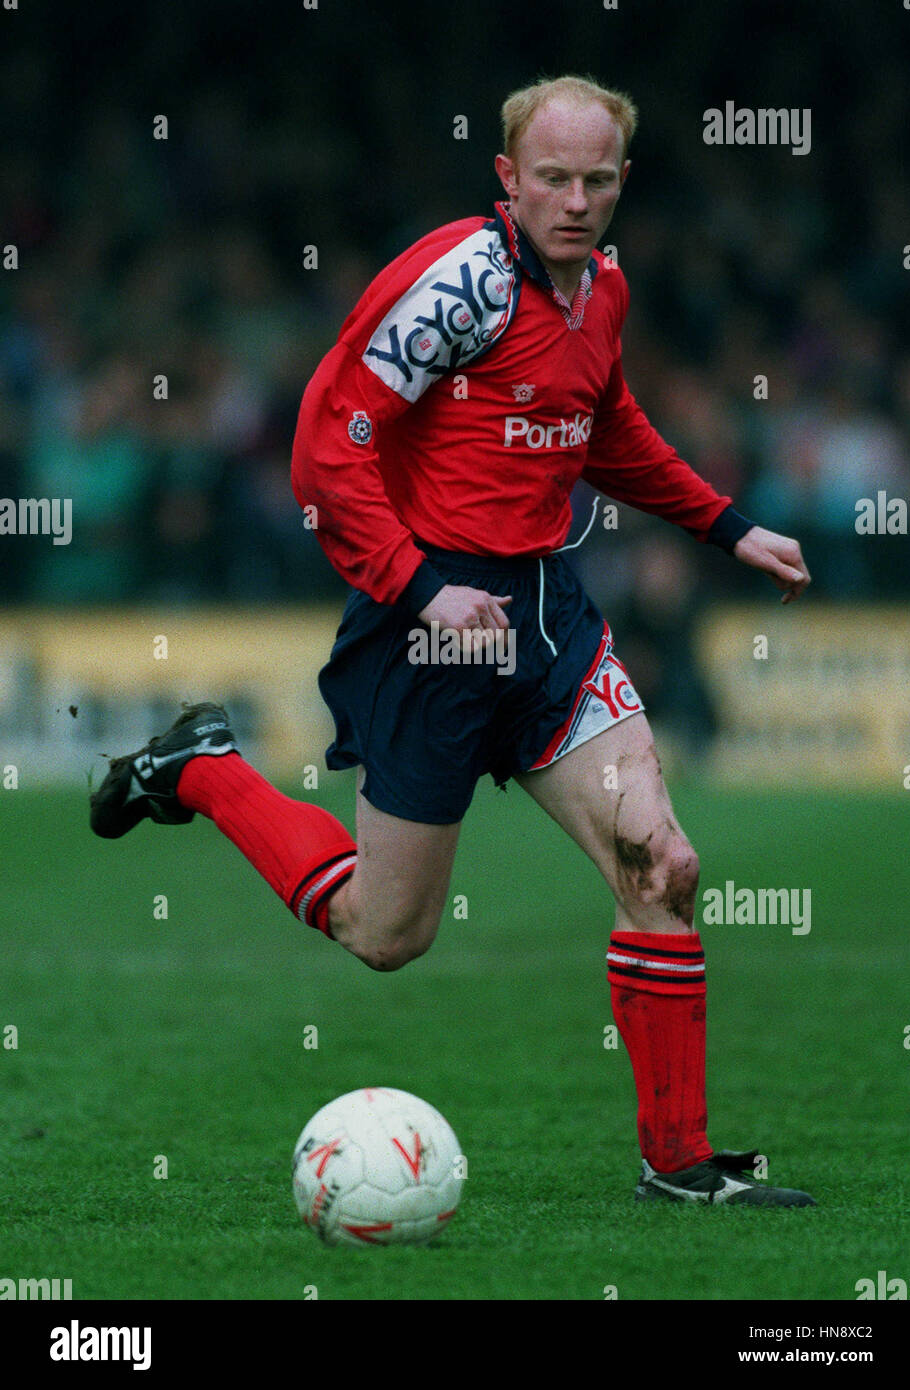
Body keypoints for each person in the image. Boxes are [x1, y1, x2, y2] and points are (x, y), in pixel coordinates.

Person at [91, 75, 814, 1206]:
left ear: (622, 182)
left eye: (596, 181)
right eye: (552, 180)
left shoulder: (603, 288)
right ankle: (204, 769)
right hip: (430, 629)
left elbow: (601, 427)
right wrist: (420, 589)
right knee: (385, 934)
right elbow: (325, 450)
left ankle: (677, 1164)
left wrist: (726, 525)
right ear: (507, 181)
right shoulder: (456, 286)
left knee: (662, 864)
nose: (574, 201)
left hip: (544, 617)